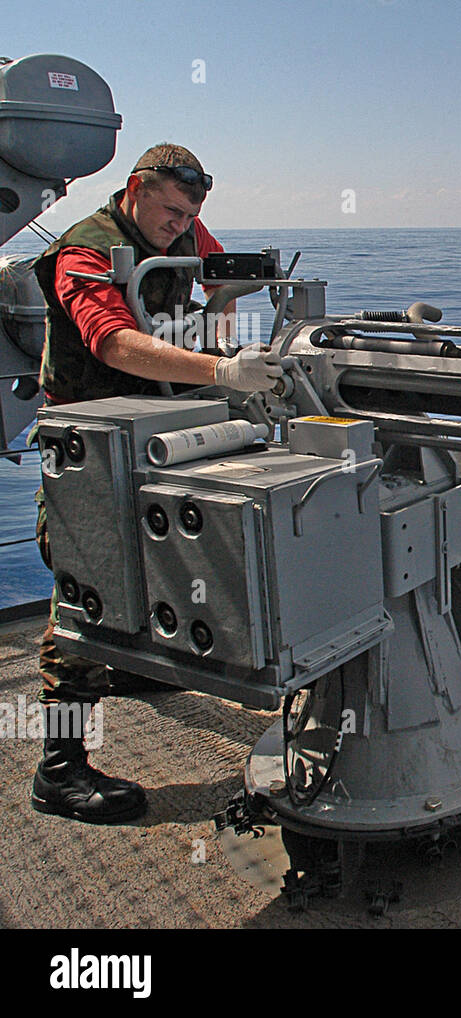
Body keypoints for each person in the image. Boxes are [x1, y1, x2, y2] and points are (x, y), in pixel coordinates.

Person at [30, 143, 282, 824]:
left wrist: (223, 329)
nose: (180, 228)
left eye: (190, 216)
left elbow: (219, 281)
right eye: (170, 213)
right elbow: (111, 341)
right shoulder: (84, 251)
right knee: (86, 591)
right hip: (91, 440)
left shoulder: (184, 227)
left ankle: (135, 661)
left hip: (160, 424)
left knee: (161, 551)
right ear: (136, 190)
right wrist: (222, 374)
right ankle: (58, 768)